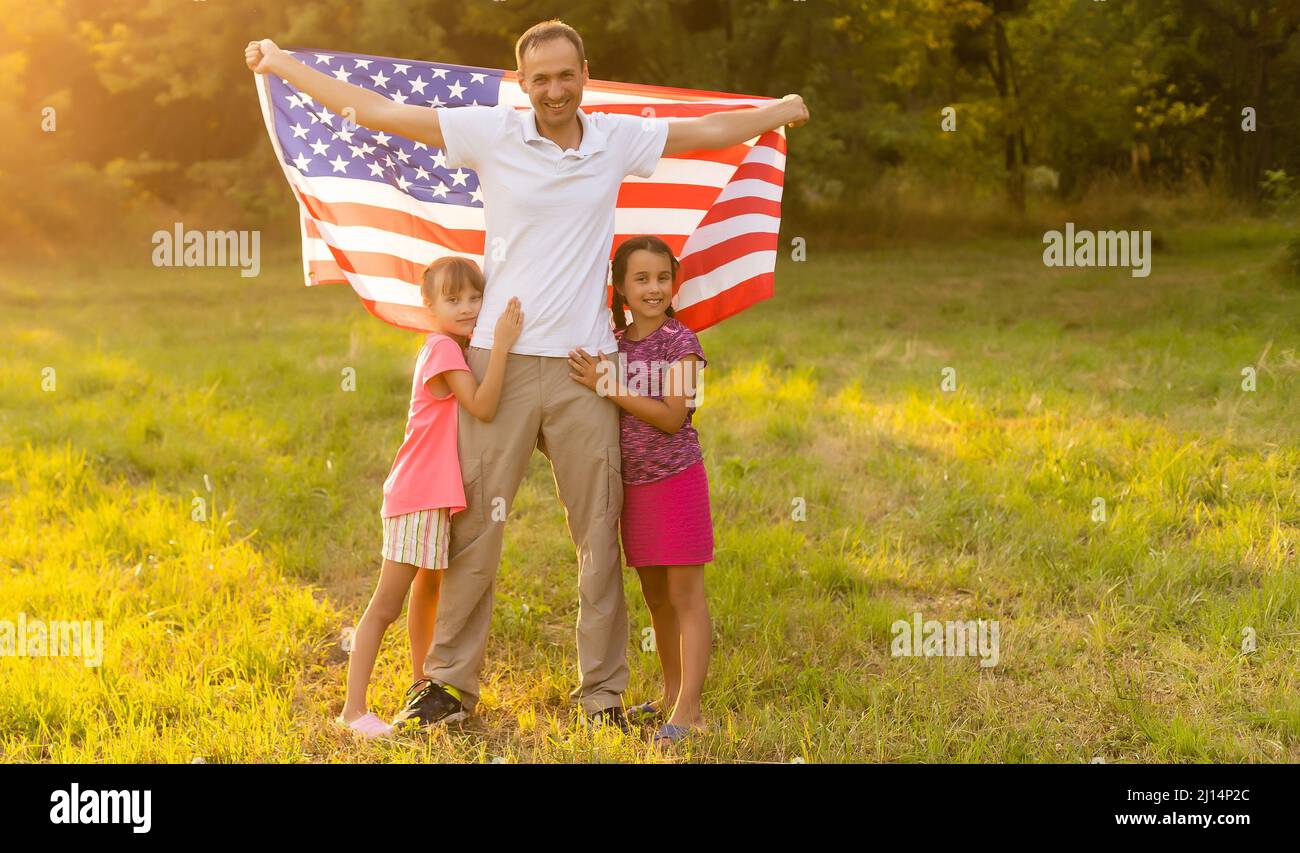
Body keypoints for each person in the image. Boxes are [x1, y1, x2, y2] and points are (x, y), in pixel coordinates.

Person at [245, 18, 808, 729]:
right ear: (523, 82)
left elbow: (701, 134)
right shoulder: (492, 133)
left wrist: (780, 110)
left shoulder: (613, 140)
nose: (553, 90)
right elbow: (379, 111)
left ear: (584, 75)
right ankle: (449, 684)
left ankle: (602, 695)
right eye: (539, 78)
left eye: (565, 76)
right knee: (476, 530)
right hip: (500, 363)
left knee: (600, 539)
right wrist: (285, 66)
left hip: (584, 370)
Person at [336, 257, 522, 737]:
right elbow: (482, 405)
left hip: (436, 497)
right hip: (418, 494)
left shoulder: (453, 346)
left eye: (474, 297)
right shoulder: (441, 348)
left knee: (428, 592)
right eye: (453, 299)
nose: (466, 307)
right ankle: (352, 710)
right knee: (386, 605)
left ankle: (423, 685)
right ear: (429, 305)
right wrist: (502, 345)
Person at [567, 236, 712, 745]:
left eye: (662, 278)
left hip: (676, 481)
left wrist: (608, 385)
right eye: (641, 279)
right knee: (656, 600)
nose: (654, 288)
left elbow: (673, 417)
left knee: (685, 595)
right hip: (635, 489)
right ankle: (672, 694)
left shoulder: (682, 342)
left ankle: (690, 710)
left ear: (674, 282)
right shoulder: (616, 344)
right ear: (621, 289)